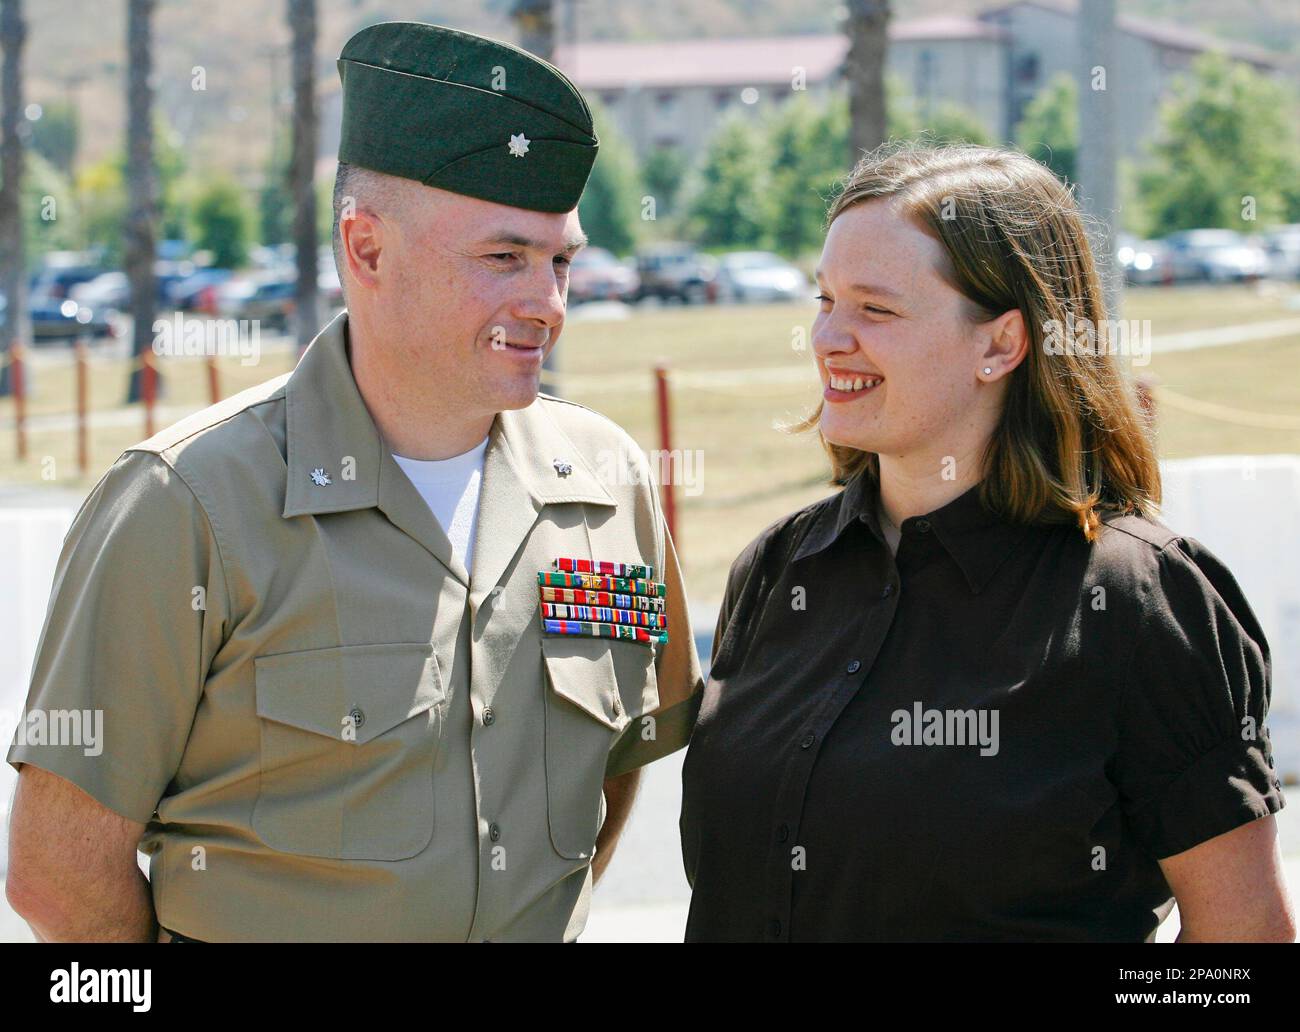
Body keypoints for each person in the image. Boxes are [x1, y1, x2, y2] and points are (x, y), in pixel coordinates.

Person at [6, 21, 703, 943]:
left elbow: (609, 776)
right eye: (504, 258)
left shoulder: (609, 484)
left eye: (560, 260)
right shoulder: (188, 503)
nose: (547, 303)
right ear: (367, 250)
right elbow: (57, 870)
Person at [679, 141, 1294, 942]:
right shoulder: (778, 566)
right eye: (824, 300)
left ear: (1002, 344)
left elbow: (1243, 941)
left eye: (876, 308)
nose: (828, 338)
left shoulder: (1139, 599)